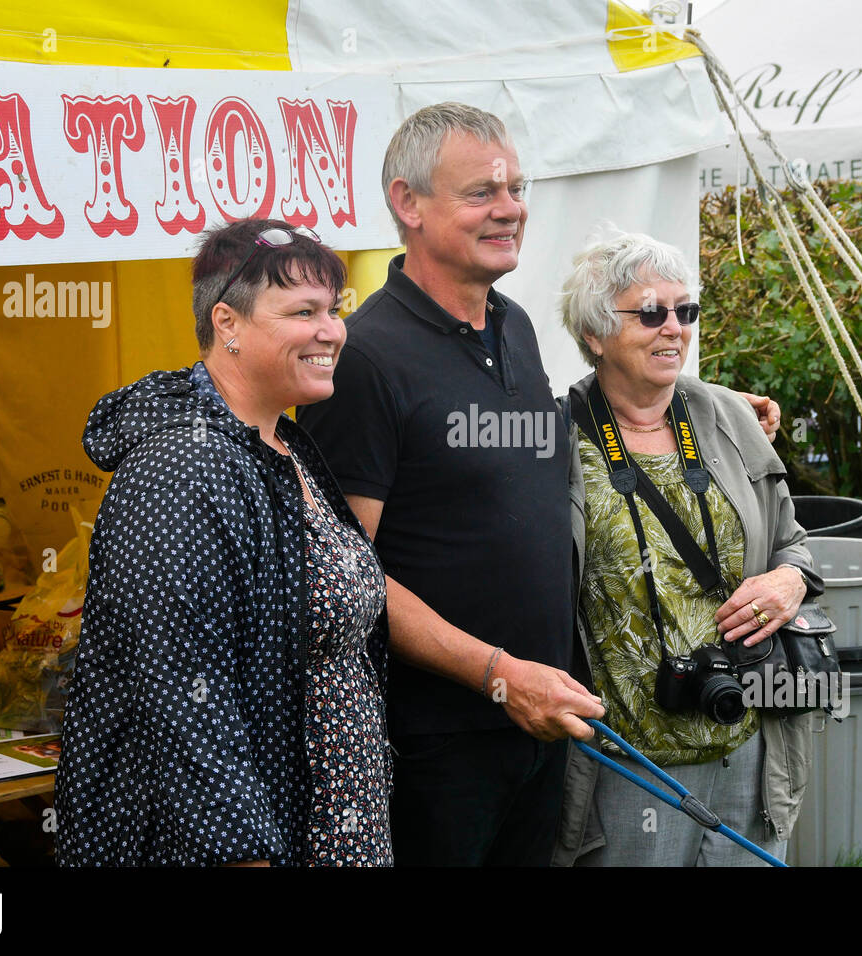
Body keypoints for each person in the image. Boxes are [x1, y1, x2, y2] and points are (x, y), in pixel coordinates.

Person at [298, 102, 782, 866]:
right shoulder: (367, 358)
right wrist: (497, 677)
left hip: (546, 726)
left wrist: (716, 407)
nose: (511, 210)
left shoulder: (514, 327)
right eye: (483, 193)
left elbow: (560, 434)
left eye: (517, 190)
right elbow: (341, 574)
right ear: (407, 203)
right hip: (438, 745)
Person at [55, 219, 391, 867]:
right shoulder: (184, 464)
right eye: (303, 311)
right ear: (227, 324)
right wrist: (245, 855)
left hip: (323, 820)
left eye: (333, 309)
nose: (331, 330)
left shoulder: (282, 444)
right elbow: (184, 690)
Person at [551, 231, 824, 867]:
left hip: (748, 739)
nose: (673, 328)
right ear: (595, 333)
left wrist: (789, 584)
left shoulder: (728, 417)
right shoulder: (555, 438)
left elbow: (794, 544)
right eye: (650, 312)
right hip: (629, 762)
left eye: (685, 311)